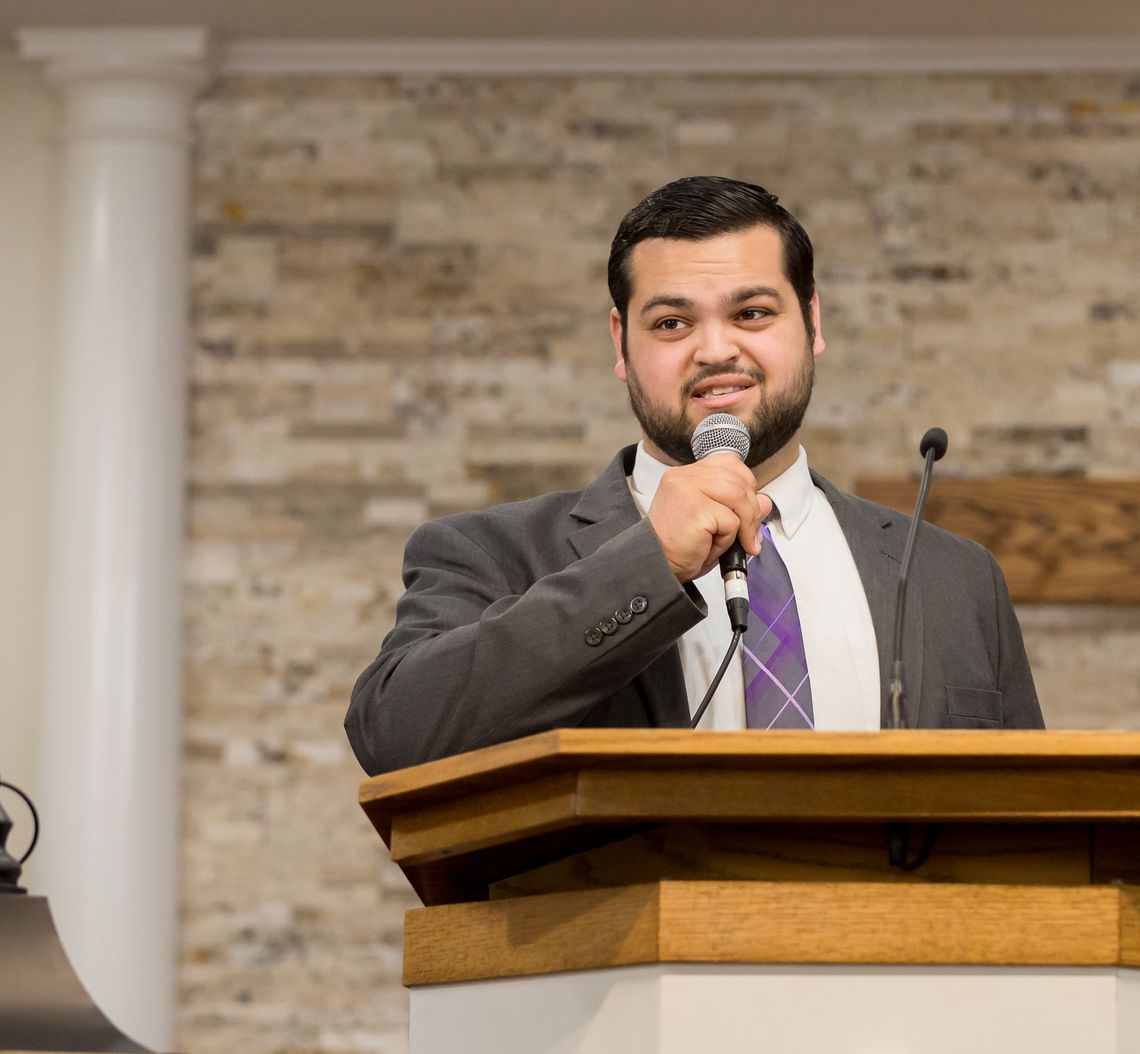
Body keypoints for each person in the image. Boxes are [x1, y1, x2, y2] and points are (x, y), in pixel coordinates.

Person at [347, 176, 1043, 775]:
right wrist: (645, 564)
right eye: (673, 322)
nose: (716, 349)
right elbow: (397, 735)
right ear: (621, 345)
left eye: (752, 313)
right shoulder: (488, 553)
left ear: (812, 320)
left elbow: (1030, 821)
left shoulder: (954, 578)